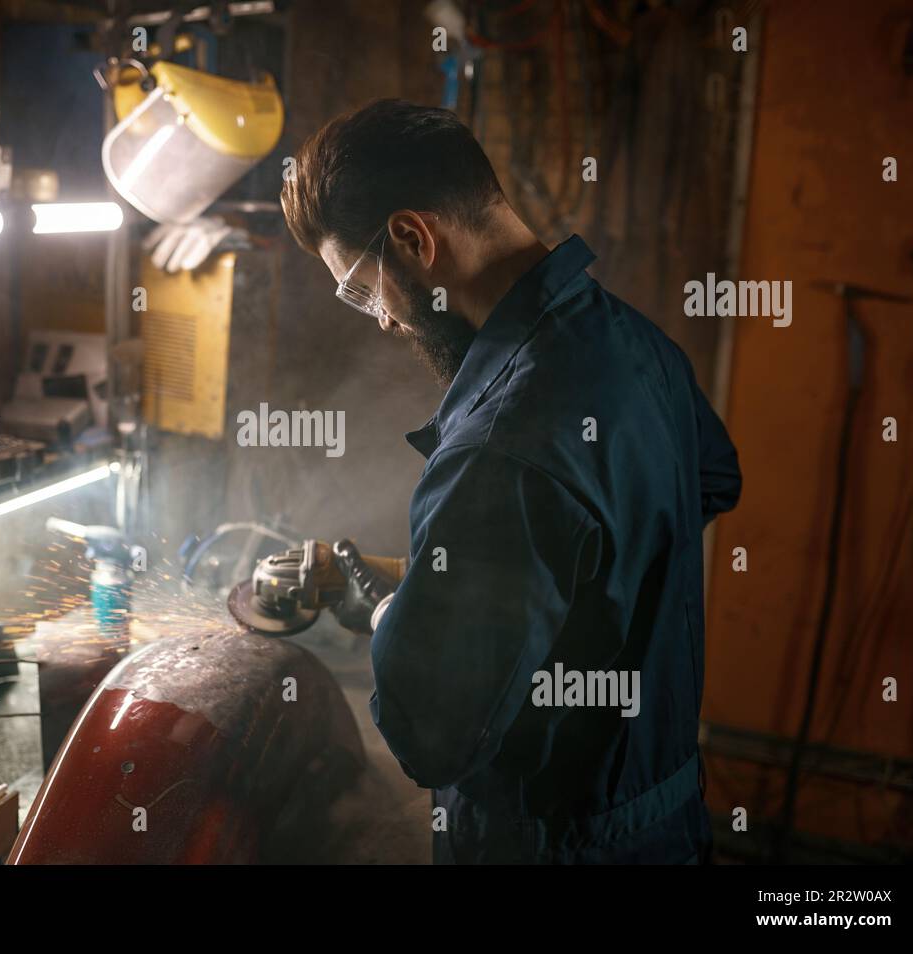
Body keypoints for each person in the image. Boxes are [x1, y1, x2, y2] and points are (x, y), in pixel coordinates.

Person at [281, 99, 742, 864]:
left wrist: (396, 609)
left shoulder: (498, 445)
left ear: (412, 238)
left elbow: (431, 732)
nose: (384, 322)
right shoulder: (636, 343)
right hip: (666, 820)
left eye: (362, 290)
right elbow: (709, 481)